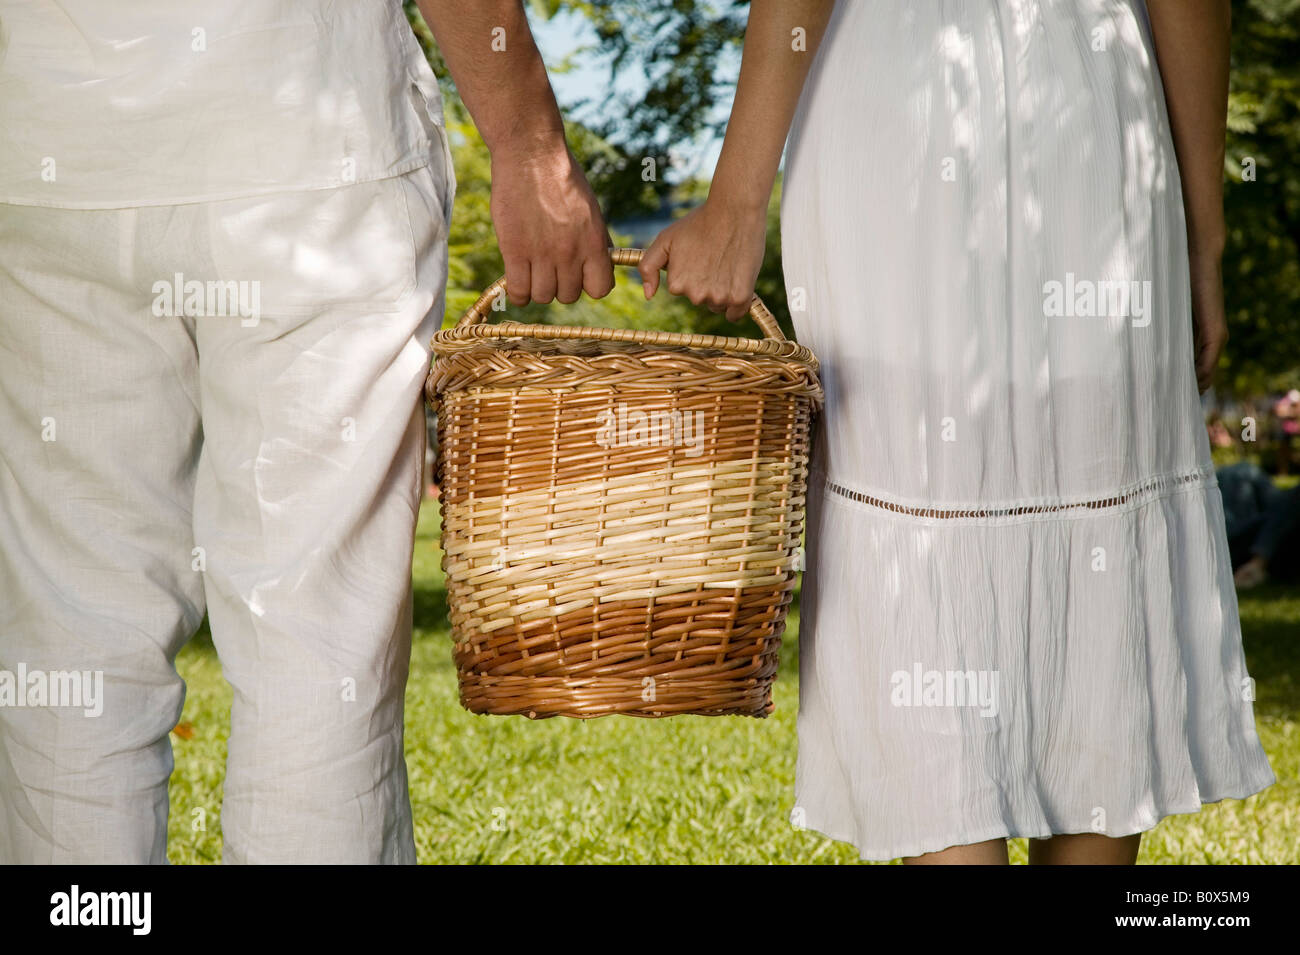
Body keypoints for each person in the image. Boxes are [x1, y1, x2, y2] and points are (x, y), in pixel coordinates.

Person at [643, 0, 1274, 864]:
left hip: (897, 117)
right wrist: (1203, 235)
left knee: (923, 533)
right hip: (1093, 128)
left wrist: (738, 197)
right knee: (1093, 542)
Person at [0, 1, 612, 863]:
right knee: (314, 636)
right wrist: (528, 142)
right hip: (307, 144)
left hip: (52, 153)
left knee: (74, 635)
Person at [1219, 462, 1300, 587]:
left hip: (1261, 543)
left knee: (1237, 473)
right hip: (1280, 521)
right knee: (1246, 470)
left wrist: (1259, 561)